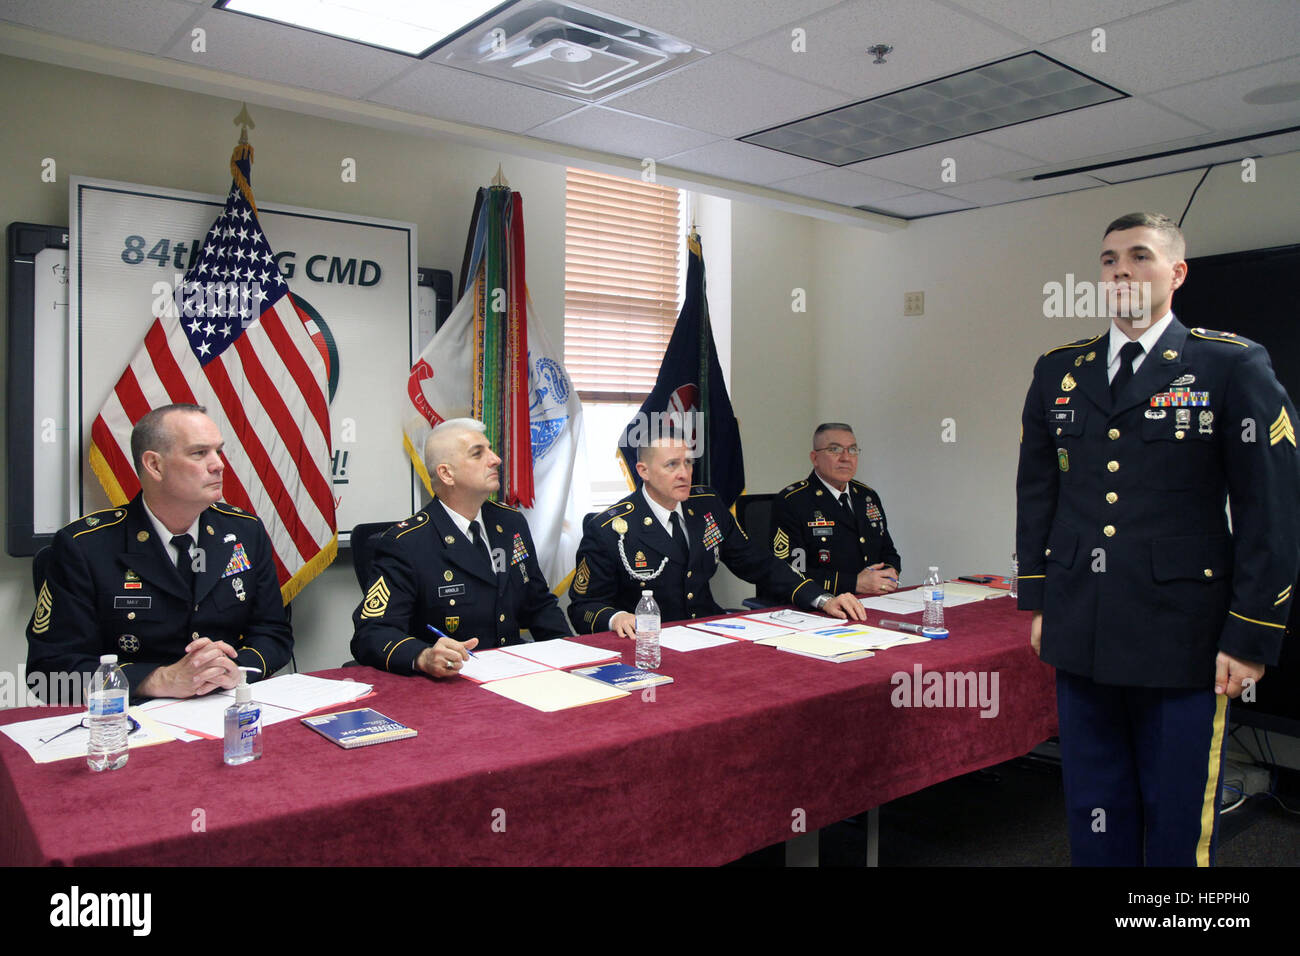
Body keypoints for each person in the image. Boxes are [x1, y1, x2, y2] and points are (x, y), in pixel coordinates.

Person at [1016, 211, 1300, 866]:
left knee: (1175, 811)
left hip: (1186, 632)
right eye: (1110, 259)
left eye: (1140, 256)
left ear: (1176, 273)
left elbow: (1272, 509)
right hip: (1082, 623)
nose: (1122, 271)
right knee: (1093, 802)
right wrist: (1040, 601)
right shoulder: (1060, 370)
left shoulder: (1229, 364)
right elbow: (1038, 494)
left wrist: (1252, 632)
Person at [26, 404, 292, 703]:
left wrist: (236, 669)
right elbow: (50, 673)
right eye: (199, 453)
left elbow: (273, 632)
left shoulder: (244, 531)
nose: (218, 464)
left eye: (218, 451)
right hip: (129, 719)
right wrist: (158, 679)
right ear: (154, 465)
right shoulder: (85, 546)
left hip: (226, 704)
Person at [568, 435, 866, 638]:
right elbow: (584, 607)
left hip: (709, 632)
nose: (684, 473)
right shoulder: (610, 529)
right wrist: (615, 618)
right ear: (643, 470)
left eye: (687, 463)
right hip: (651, 643)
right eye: (672, 465)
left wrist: (820, 598)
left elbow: (758, 563)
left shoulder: (707, 504)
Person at [351, 418, 569, 677]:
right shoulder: (407, 543)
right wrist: (423, 656)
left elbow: (539, 605)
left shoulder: (510, 523)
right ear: (446, 474)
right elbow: (372, 633)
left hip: (515, 675)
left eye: (490, 449)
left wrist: (573, 655)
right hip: (451, 684)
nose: (496, 459)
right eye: (478, 453)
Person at [769, 422, 901, 596]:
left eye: (852, 450)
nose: (846, 458)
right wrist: (853, 584)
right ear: (815, 458)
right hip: (819, 602)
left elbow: (888, 552)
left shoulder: (867, 496)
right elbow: (790, 570)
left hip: (873, 599)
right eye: (835, 450)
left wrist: (888, 575)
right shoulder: (793, 502)